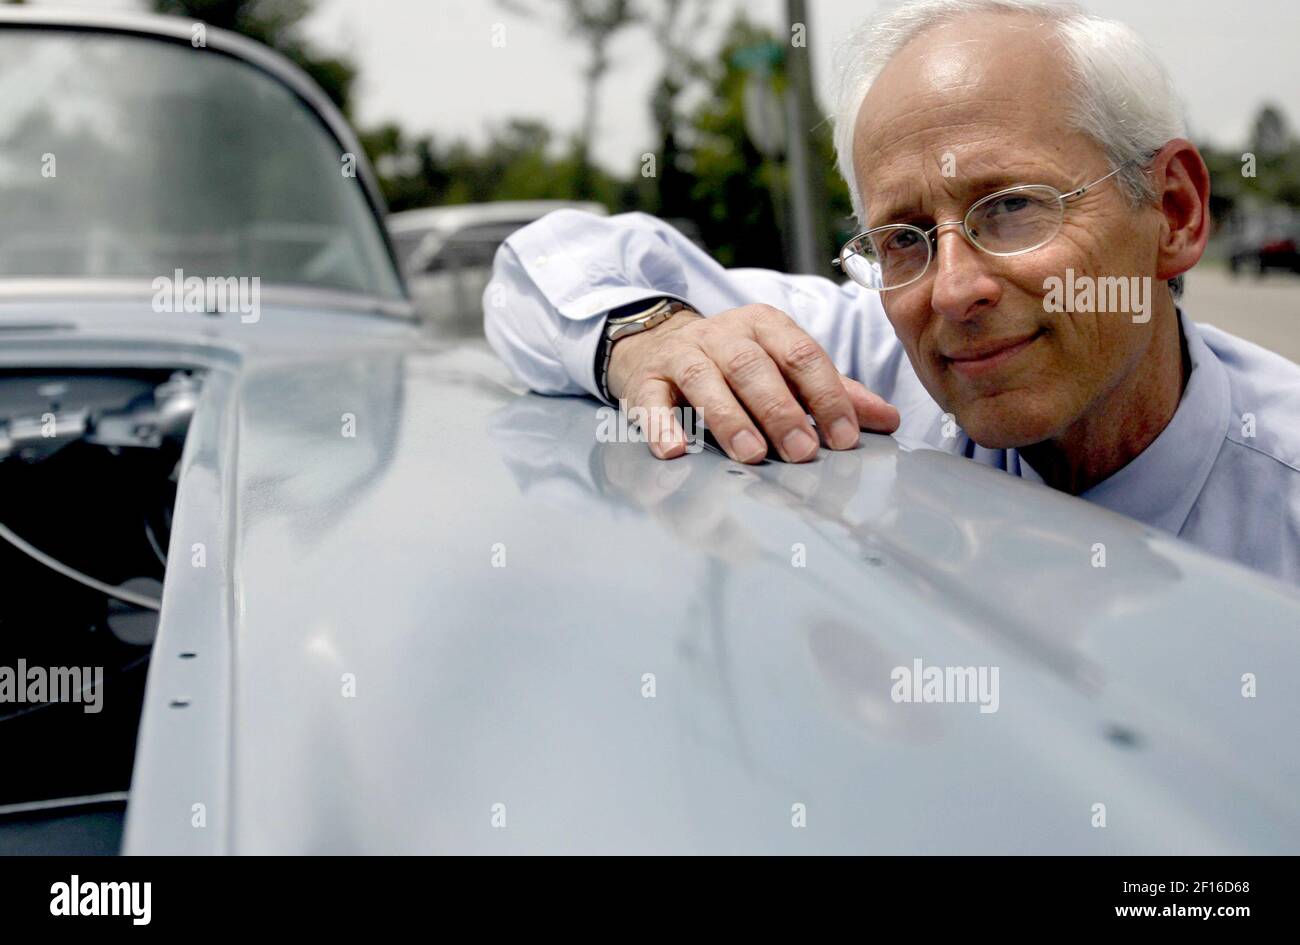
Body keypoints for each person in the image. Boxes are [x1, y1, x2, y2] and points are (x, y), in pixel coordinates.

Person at [483, 0, 1300, 584]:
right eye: (903, 238)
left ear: (1176, 212)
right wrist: (651, 338)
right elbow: (536, 268)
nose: (952, 290)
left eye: (1012, 207)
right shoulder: (855, 369)